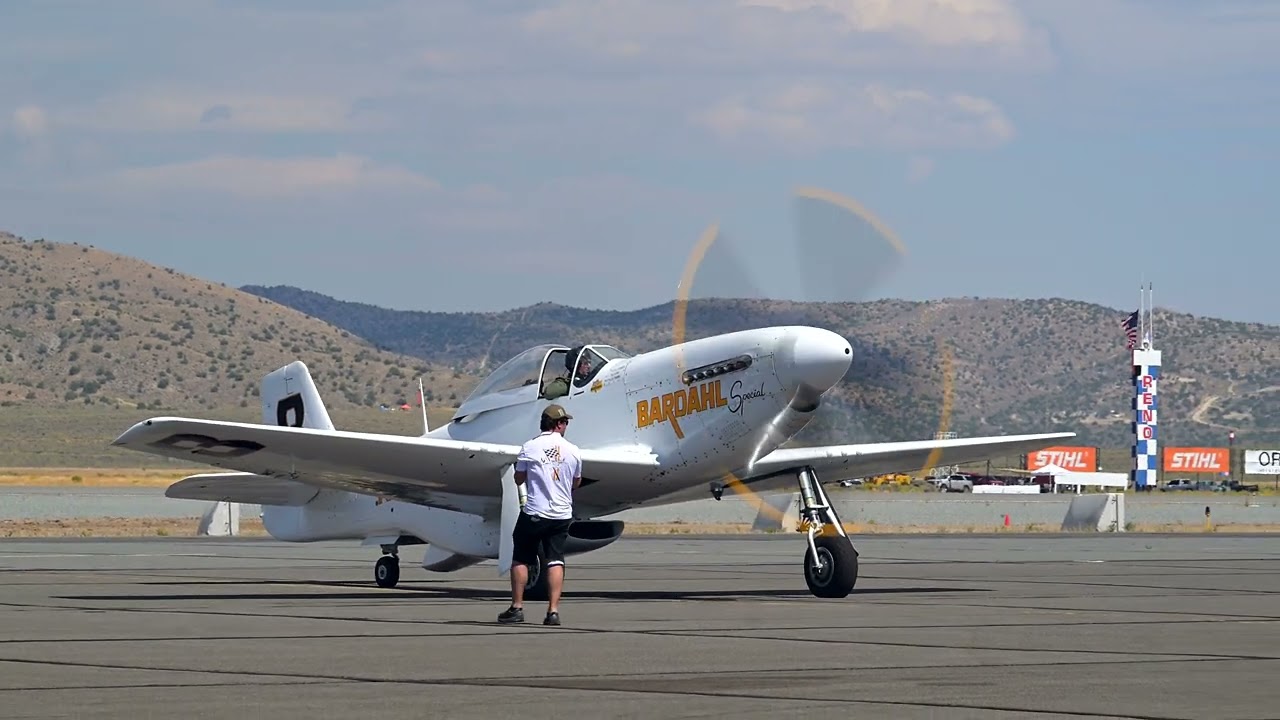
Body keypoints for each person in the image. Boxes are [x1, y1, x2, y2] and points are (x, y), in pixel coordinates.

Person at [497, 403, 582, 626]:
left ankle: (517, 607)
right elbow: (576, 481)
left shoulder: (530, 447)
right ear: (558, 424)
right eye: (565, 422)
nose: (566, 426)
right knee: (555, 559)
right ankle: (553, 611)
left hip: (536, 511)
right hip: (561, 514)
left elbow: (518, 478)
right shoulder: (573, 450)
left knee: (521, 557)